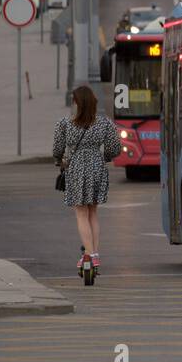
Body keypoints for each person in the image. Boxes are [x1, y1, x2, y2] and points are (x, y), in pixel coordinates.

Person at [53, 85, 121, 272]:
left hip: (76, 168)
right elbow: (115, 147)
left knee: (81, 213)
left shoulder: (65, 124)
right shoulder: (104, 123)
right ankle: (94, 254)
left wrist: (59, 161)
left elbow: (57, 149)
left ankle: (89, 254)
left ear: (76, 103)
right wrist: (104, 157)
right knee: (93, 213)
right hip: (97, 168)